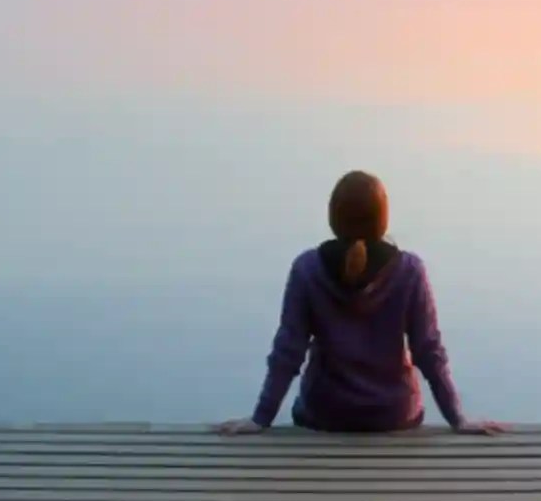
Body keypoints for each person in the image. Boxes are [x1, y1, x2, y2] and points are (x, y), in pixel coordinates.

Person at [216, 171, 505, 436]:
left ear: (333, 218)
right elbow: (428, 351)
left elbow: (288, 351)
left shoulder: (307, 269)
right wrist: (457, 418)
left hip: (325, 415)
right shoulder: (409, 271)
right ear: (383, 219)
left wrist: (260, 418)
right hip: (393, 416)